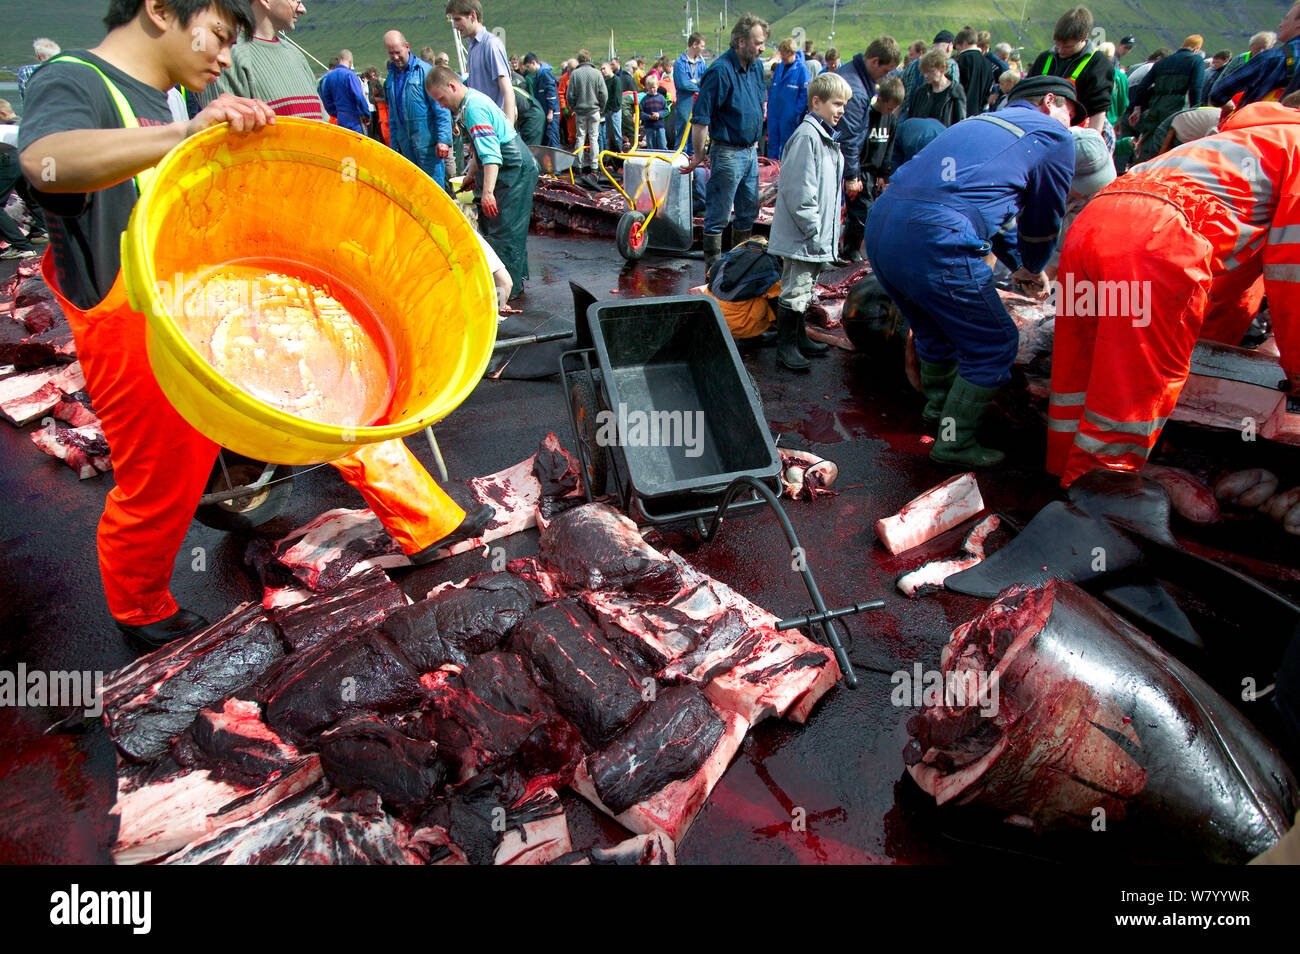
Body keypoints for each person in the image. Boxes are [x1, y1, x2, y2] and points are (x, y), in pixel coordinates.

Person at [17, 0, 492, 647]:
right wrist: (184, 135)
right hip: (132, 326)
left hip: (217, 293)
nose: (224, 56)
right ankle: (140, 606)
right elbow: (43, 161)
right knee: (161, 479)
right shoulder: (77, 80)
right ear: (160, 9)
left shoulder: (166, 96)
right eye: (217, 35)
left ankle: (426, 522)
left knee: (334, 398)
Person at [1046, 101, 1300, 488]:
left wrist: (1208, 346)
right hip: (1160, 238)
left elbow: (1242, 283)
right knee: (1131, 391)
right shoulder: (1295, 150)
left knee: (1080, 362)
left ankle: (1058, 469)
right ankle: (1098, 493)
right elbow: (1291, 273)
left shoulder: (1242, 141)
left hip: (1096, 222)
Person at [864, 75, 1079, 467]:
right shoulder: (1053, 135)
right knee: (993, 343)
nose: (1073, 123)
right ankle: (953, 439)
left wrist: (1018, 265)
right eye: (1071, 113)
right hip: (936, 237)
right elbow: (1043, 218)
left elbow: (986, 207)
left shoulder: (980, 122)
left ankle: (936, 413)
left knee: (932, 330)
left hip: (883, 225)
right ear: (1051, 101)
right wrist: (1034, 265)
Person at [426, 66, 536, 298]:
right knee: (500, 226)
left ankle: (506, 294)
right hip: (508, 167)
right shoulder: (470, 103)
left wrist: (487, 193)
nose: (441, 105)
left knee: (505, 229)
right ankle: (511, 284)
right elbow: (480, 148)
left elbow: (492, 155)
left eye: (441, 99)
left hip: (515, 168)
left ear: (452, 86)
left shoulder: (474, 109)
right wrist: (471, 175)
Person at [682, 14, 769, 269]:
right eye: (758, 43)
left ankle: (738, 267)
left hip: (750, 152)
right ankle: (713, 270)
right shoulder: (720, 72)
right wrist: (699, 155)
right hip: (728, 153)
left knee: (747, 212)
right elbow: (700, 119)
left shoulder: (755, 68)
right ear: (741, 41)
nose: (763, 48)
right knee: (718, 215)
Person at [196, 0, 328, 120]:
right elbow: (223, 133)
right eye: (295, 0)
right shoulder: (226, 57)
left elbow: (324, 124)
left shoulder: (296, 55)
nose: (302, 9)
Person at [835, 36, 903, 260]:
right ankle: (845, 251)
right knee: (852, 211)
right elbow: (850, 139)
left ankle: (843, 249)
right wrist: (852, 176)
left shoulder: (855, 78)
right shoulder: (857, 91)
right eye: (885, 71)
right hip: (849, 165)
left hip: (858, 166)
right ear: (874, 61)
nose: (885, 77)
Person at [1027, 6, 1115, 132]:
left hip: (1073, 135)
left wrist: (1091, 140)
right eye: (1057, 44)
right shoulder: (1044, 58)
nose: (1060, 50)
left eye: (1068, 46)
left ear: (1084, 37)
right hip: (1036, 130)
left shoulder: (1098, 63)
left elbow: (1099, 110)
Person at [383, 30, 452, 189]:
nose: (395, 57)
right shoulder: (391, 79)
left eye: (398, 52)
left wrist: (443, 140)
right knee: (413, 189)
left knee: (433, 188)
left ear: (407, 47)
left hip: (428, 146)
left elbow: (441, 108)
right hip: (406, 146)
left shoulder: (425, 72)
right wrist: (394, 146)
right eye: (391, 53)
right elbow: (392, 116)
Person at [1209, 3, 1300, 110]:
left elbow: (1218, 94)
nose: (1280, 25)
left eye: (1286, 19)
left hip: (1262, 118)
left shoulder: (1272, 58)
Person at [1129, 34, 1205, 157]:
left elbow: (1142, 86)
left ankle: (1142, 165)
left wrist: (1137, 108)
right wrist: (1195, 110)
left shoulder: (1163, 62)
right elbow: (1196, 87)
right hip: (1177, 108)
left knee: (1148, 143)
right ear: (1196, 49)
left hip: (1155, 107)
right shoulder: (1196, 60)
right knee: (1169, 147)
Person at [445, 0, 516, 125]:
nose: (454, 26)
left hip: (495, 127)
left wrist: (508, 131)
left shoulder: (491, 45)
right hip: (480, 126)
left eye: (458, 19)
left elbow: (508, 91)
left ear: (473, 16)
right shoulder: (472, 48)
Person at [765, 38, 809, 160]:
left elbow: (805, 94)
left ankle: (785, 168)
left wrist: (796, 112)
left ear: (792, 52)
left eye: (785, 54)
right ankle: (772, 167)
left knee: (787, 146)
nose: (783, 57)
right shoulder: (779, 68)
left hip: (789, 116)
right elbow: (772, 89)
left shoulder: (802, 70)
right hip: (774, 113)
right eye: (781, 53)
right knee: (772, 143)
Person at [903, 50, 966, 127]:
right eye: (924, 72)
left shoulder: (955, 92)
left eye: (930, 71)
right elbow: (912, 118)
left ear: (943, 68)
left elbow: (960, 121)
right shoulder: (921, 92)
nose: (926, 76)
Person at [565, 51, 605, 169]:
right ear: (589, 59)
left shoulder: (575, 74)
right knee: (594, 138)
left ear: (579, 60)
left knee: (580, 137)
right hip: (594, 110)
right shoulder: (597, 73)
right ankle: (594, 165)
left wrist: (573, 107)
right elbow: (604, 93)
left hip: (580, 111)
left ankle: (579, 164)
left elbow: (569, 95)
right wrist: (601, 107)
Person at [1208, 32, 1275, 103]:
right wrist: (1213, 96)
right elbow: (1222, 78)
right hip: (1231, 100)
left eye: (1265, 48)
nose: (1261, 51)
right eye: (1258, 48)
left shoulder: (1271, 63)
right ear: (1251, 46)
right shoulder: (1239, 60)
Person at [670, 33, 707, 154]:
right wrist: (699, 86)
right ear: (694, 44)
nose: (703, 49)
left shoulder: (702, 63)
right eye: (702, 46)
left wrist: (695, 82)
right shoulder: (679, 63)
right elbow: (682, 84)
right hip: (685, 103)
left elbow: (707, 80)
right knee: (683, 133)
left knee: (695, 133)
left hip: (698, 103)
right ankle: (680, 158)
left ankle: (693, 158)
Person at [900, 31, 959, 106]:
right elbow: (954, 93)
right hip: (936, 110)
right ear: (949, 47)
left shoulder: (913, 64)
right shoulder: (951, 65)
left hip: (910, 110)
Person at [319, 49, 369, 133]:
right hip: (355, 119)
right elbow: (359, 96)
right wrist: (366, 114)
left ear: (339, 60)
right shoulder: (350, 75)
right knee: (359, 140)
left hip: (340, 118)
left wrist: (336, 113)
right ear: (350, 61)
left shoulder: (328, 77)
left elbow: (326, 98)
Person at [954, 27, 994, 117]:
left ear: (964, 43)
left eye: (957, 48)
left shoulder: (962, 60)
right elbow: (988, 90)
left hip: (961, 112)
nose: (957, 51)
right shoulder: (988, 63)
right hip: (978, 113)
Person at [521, 54, 559, 147]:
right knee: (546, 140)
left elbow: (551, 93)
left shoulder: (545, 74)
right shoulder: (537, 76)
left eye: (528, 67)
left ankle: (555, 156)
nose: (528, 70)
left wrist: (551, 111)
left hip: (551, 113)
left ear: (533, 63)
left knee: (551, 138)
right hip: (544, 112)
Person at [18, 38, 61, 105]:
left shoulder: (25, 71)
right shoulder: (66, 70)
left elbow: (25, 97)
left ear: (37, 54)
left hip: (35, 110)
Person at [639, 74, 669, 150]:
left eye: (654, 87)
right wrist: (649, 117)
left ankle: (663, 157)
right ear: (647, 87)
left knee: (662, 145)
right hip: (649, 127)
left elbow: (666, 110)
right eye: (650, 88)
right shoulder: (644, 100)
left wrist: (659, 114)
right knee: (651, 146)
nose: (652, 90)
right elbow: (641, 113)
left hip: (660, 126)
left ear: (657, 86)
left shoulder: (661, 98)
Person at [364, 66, 389, 143]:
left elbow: (387, 99)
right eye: (371, 76)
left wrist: (376, 98)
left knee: (387, 134)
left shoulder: (382, 82)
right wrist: (375, 97)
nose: (373, 77)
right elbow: (371, 99)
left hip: (387, 111)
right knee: (383, 134)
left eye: (374, 75)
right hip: (379, 112)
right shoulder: (370, 83)